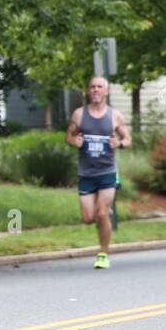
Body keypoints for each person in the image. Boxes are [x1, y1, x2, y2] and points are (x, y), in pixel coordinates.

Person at [66, 75, 131, 269]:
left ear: (106, 91)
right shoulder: (79, 114)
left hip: (107, 172)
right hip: (86, 173)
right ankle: (104, 214)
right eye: (92, 87)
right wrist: (73, 141)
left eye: (99, 87)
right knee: (88, 218)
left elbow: (128, 140)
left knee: (101, 213)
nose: (95, 90)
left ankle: (103, 253)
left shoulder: (114, 116)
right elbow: (69, 135)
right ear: (88, 91)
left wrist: (119, 143)